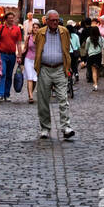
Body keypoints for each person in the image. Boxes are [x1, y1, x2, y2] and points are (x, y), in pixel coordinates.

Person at [34, 9, 74, 141]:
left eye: (57, 20)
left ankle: (66, 127)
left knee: (63, 98)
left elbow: (67, 49)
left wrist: (68, 66)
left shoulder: (64, 32)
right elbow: (38, 49)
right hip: (45, 69)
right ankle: (45, 128)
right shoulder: (40, 33)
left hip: (60, 69)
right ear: (46, 20)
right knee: (43, 100)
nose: (55, 22)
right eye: (52, 20)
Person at [0, 12, 23, 102]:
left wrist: (19, 55)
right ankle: (0, 94)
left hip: (12, 55)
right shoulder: (1, 28)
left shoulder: (17, 29)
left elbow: (19, 43)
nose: (12, 19)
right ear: (6, 19)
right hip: (2, 54)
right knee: (2, 73)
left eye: (13, 18)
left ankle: (7, 94)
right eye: (10, 18)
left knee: (9, 75)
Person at [22, 19, 39, 103]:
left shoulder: (41, 38)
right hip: (28, 59)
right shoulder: (29, 38)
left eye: (37, 27)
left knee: (35, 79)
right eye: (34, 27)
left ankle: (30, 93)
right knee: (30, 78)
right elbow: (25, 48)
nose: (35, 29)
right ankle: (31, 97)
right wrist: (19, 55)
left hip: (37, 61)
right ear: (32, 29)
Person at [83, 20, 103, 91]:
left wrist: (86, 53)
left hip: (91, 56)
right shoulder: (101, 38)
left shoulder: (89, 38)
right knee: (97, 70)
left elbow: (86, 48)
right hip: (98, 55)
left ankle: (95, 84)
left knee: (93, 70)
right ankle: (96, 81)